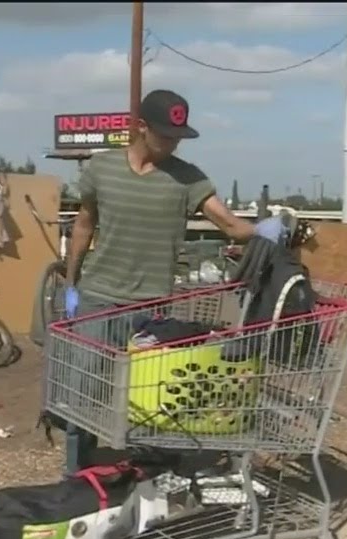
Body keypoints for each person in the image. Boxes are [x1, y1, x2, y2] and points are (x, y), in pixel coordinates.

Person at [62, 88, 257, 474]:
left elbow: (231, 226)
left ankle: (144, 474)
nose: (172, 144)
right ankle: (74, 474)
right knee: (83, 390)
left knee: (147, 395)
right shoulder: (101, 169)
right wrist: (71, 284)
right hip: (98, 296)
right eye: (165, 135)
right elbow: (84, 224)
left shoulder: (188, 179)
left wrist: (272, 230)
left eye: (178, 137)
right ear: (140, 127)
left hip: (151, 305)